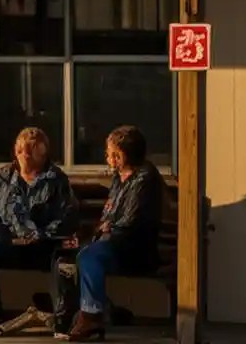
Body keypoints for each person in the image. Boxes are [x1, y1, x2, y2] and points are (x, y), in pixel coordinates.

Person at [55, 125, 165, 341]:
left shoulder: (144, 179)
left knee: (89, 256)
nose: (111, 159)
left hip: (134, 248)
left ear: (130, 153)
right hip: (111, 243)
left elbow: (130, 222)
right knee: (63, 255)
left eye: (116, 154)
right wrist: (93, 233)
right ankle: (71, 312)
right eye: (109, 154)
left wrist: (107, 229)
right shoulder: (119, 178)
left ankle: (91, 316)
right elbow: (109, 214)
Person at [0, 127, 78, 337]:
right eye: (21, 148)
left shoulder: (56, 180)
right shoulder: (1, 178)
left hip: (45, 246)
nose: (25, 153)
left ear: (44, 153)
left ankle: (63, 321)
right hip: (10, 244)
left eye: (32, 148)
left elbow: (67, 217)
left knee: (64, 259)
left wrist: (40, 235)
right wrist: (5, 237)